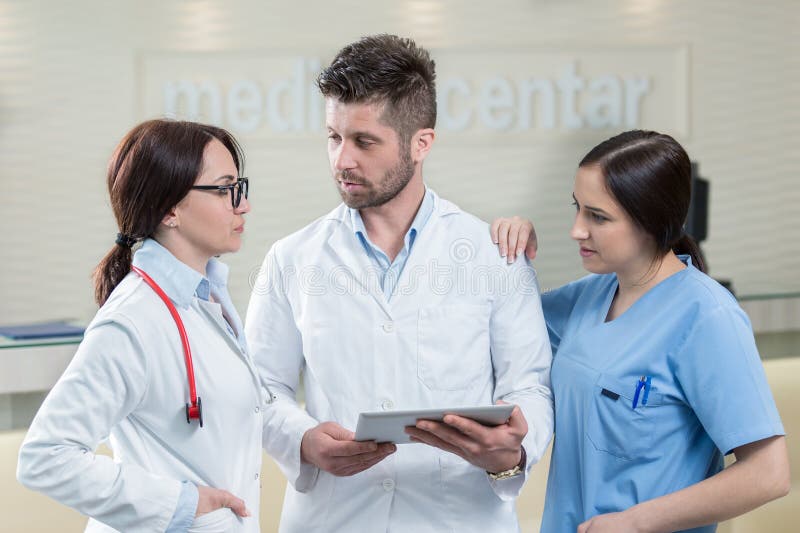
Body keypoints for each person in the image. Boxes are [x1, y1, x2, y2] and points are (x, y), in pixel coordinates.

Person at [245, 34, 554, 532]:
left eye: (364, 141)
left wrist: (514, 447)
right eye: (333, 137)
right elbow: (260, 386)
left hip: (458, 516)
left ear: (421, 143)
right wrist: (302, 438)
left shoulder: (492, 254)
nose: (342, 160)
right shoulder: (290, 258)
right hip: (337, 516)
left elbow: (529, 385)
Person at [492, 130, 790, 532]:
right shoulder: (590, 297)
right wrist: (509, 250)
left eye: (597, 217)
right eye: (577, 209)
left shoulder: (708, 317)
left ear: (650, 220)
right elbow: (495, 320)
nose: (576, 230)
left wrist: (635, 522)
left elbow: (769, 473)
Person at [17, 119, 266, 532]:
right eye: (223, 189)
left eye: (238, 188)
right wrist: (180, 504)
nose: (242, 205)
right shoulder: (132, 320)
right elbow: (45, 456)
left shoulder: (206, 297)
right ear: (170, 209)